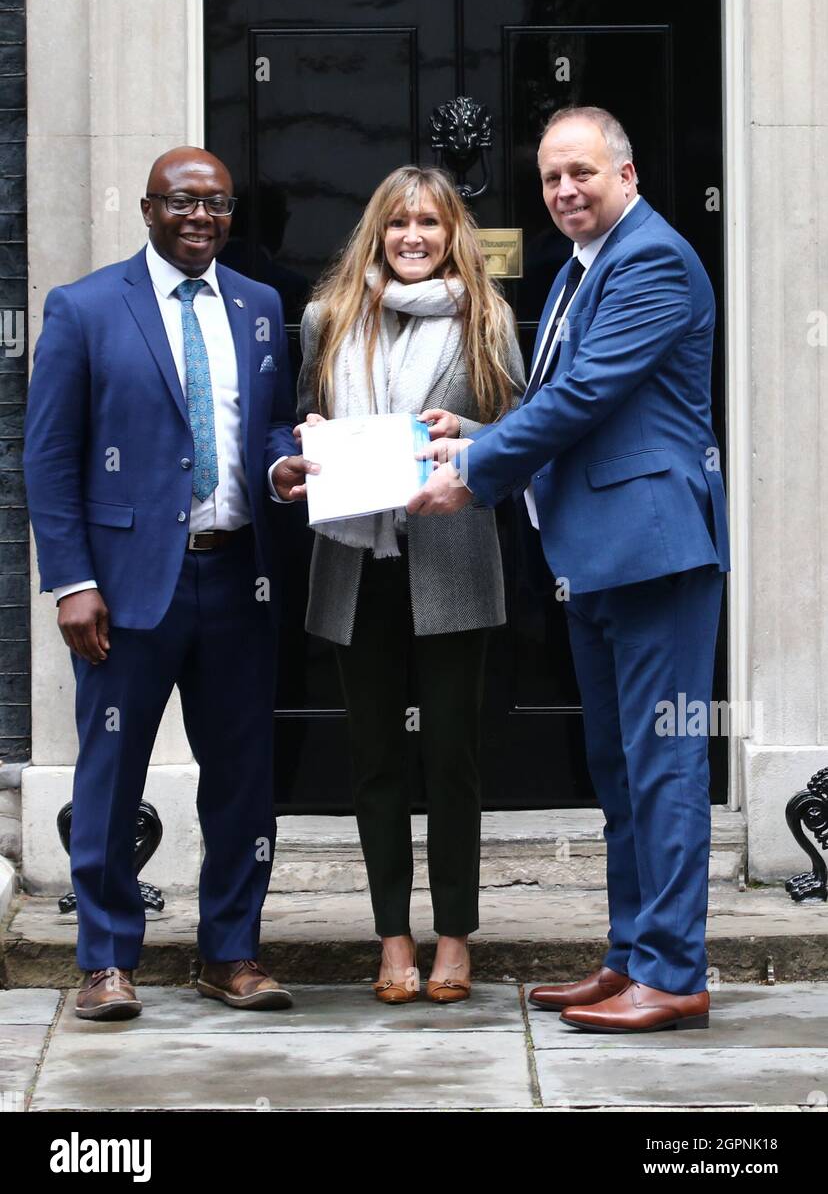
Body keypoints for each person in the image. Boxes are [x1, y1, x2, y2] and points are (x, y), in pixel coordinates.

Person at [409, 108, 730, 1032]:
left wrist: (475, 473)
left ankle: (674, 973)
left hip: (657, 551)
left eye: (582, 173)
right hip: (597, 554)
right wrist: (469, 435)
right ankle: (631, 955)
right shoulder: (581, 270)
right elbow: (558, 398)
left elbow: (589, 396)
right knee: (620, 767)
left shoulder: (653, 260)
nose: (564, 192)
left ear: (626, 174)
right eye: (551, 178)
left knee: (663, 766)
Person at [23, 147, 305, 1020]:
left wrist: (284, 466)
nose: (199, 218)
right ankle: (105, 962)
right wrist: (70, 580)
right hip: (127, 586)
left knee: (242, 778)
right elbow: (48, 456)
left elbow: (265, 429)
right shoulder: (84, 307)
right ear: (147, 209)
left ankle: (232, 953)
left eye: (216, 204)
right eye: (182, 202)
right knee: (111, 772)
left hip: (238, 579)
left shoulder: (259, 308)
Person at [281, 165, 525, 1004]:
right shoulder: (329, 317)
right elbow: (300, 418)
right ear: (376, 233)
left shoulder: (483, 318)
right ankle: (393, 939)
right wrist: (306, 434)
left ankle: (454, 937)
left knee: (453, 757)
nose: (413, 238)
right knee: (375, 760)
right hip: (357, 565)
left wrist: (469, 429)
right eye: (398, 224)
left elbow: (526, 430)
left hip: (451, 559)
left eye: (428, 222)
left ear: (451, 231)